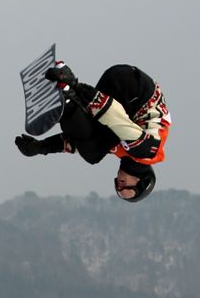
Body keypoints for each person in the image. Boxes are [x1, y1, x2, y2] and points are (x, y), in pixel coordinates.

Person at [15, 61, 171, 202]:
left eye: (118, 189)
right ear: (142, 181)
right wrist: (77, 86)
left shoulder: (125, 150)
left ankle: (67, 97)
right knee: (95, 151)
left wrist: (41, 147)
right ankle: (69, 94)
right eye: (127, 192)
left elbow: (78, 143)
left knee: (94, 143)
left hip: (122, 81)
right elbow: (116, 119)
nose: (119, 186)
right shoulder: (148, 150)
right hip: (133, 89)